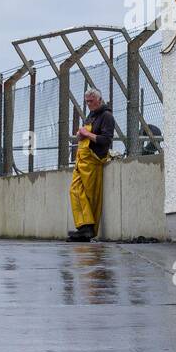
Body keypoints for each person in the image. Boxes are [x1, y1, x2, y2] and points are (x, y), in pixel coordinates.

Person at [68, 89, 116, 241]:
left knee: (90, 195)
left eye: (91, 101)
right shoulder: (91, 116)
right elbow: (84, 134)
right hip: (81, 160)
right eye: (87, 101)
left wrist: (87, 134)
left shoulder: (106, 116)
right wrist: (80, 135)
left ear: (99, 100)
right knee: (74, 190)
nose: (88, 104)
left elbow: (106, 140)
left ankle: (87, 229)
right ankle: (84, 226)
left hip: (94, 160)